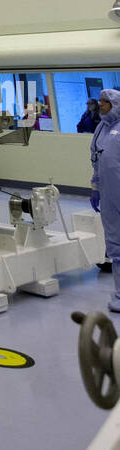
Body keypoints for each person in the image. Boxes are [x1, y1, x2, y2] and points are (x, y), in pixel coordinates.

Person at [90, 89, 120, 312]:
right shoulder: (100, 128)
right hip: (109, 196)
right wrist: (95, 187)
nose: (100, 105)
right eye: (100, 101)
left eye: (104, 102)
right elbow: (96, 159)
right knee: (115, 245)